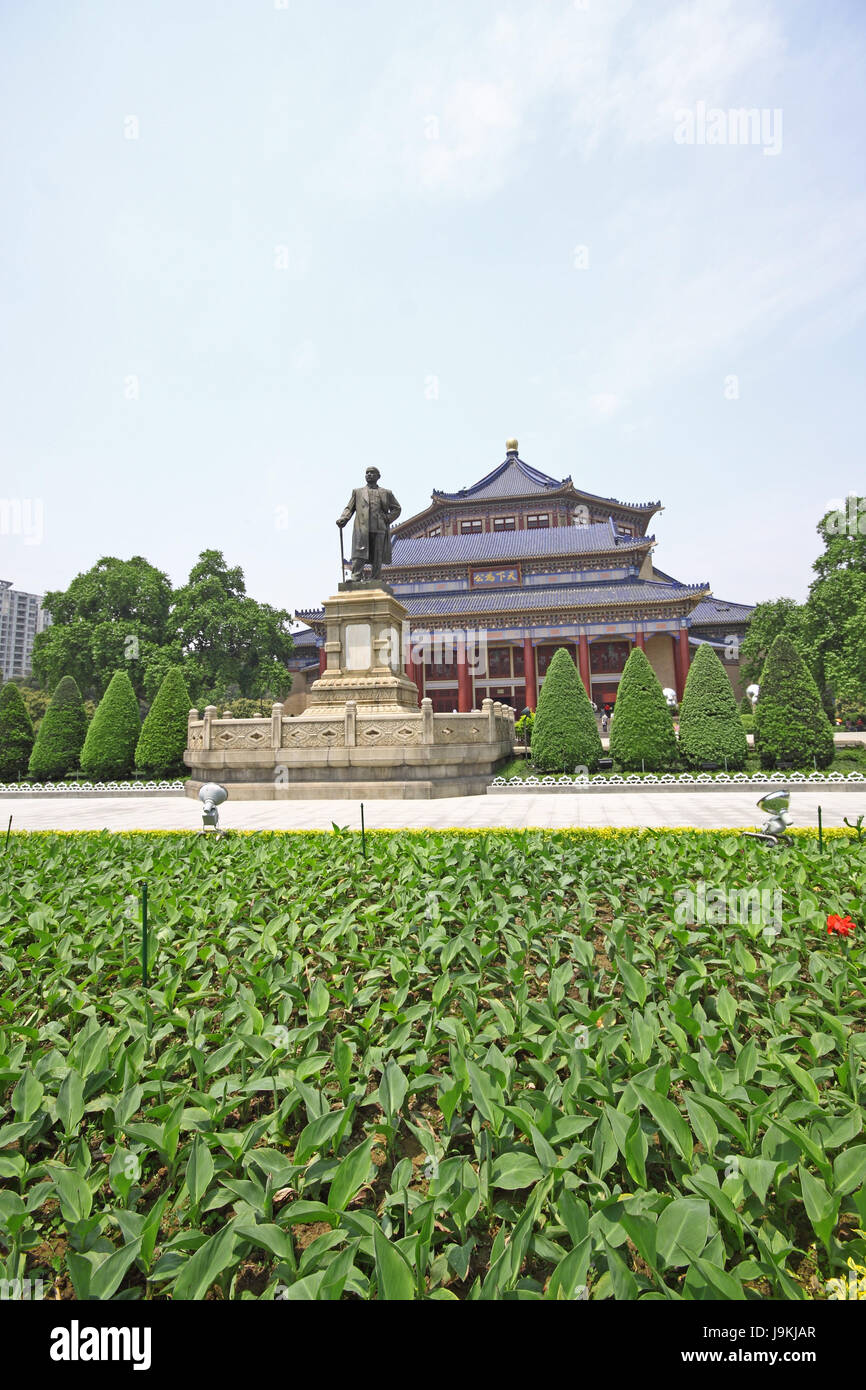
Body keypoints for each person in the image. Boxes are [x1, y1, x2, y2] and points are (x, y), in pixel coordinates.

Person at [336, 467, 402, 580]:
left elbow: (397, 508)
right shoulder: (358, 492)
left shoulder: (386, 493)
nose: (369, 475)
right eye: (367, 473)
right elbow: (349, 508)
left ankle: (375, 578)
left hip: (379, 527)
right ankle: (356, 577)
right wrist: (344, 518)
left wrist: (387, 518)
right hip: (362, 527)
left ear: (378, 476)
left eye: (372, 473)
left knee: (378, 554)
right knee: (359, 552)